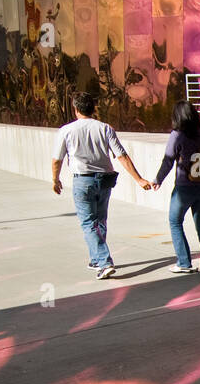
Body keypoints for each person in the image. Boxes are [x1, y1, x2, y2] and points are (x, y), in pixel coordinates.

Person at [51, 92, 152, 279]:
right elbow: (121, 155)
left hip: (83, 180)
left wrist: (55, 179)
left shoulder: (66, 130)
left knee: (88, 222)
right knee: (100, 220)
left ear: (76, 109)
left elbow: (57, 159)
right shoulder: (105, 128)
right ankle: (96, 259)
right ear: (93, 108)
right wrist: (138, 179)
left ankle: (104, 262)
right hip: (104, 180)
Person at [153, 101, 200, 274]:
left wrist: (158, 179)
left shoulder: (177, 135)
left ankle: (184, 262)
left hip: (184, 188)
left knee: (175, 222)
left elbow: (168, 160)